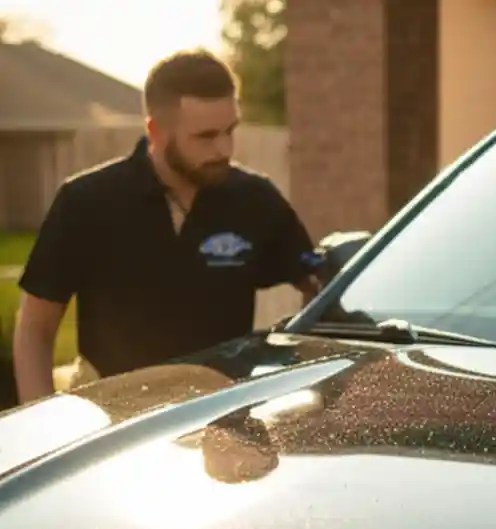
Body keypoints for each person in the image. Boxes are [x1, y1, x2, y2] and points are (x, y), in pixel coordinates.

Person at [12, 49, 320, 404]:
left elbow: (318, 286)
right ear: (156, 131)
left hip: (222, 416)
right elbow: (35, 329)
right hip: (114, 417)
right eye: (206, 136)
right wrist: (39, 419)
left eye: (230, 130)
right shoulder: (86, 201)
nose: (225, 149)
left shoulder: (255, 199)